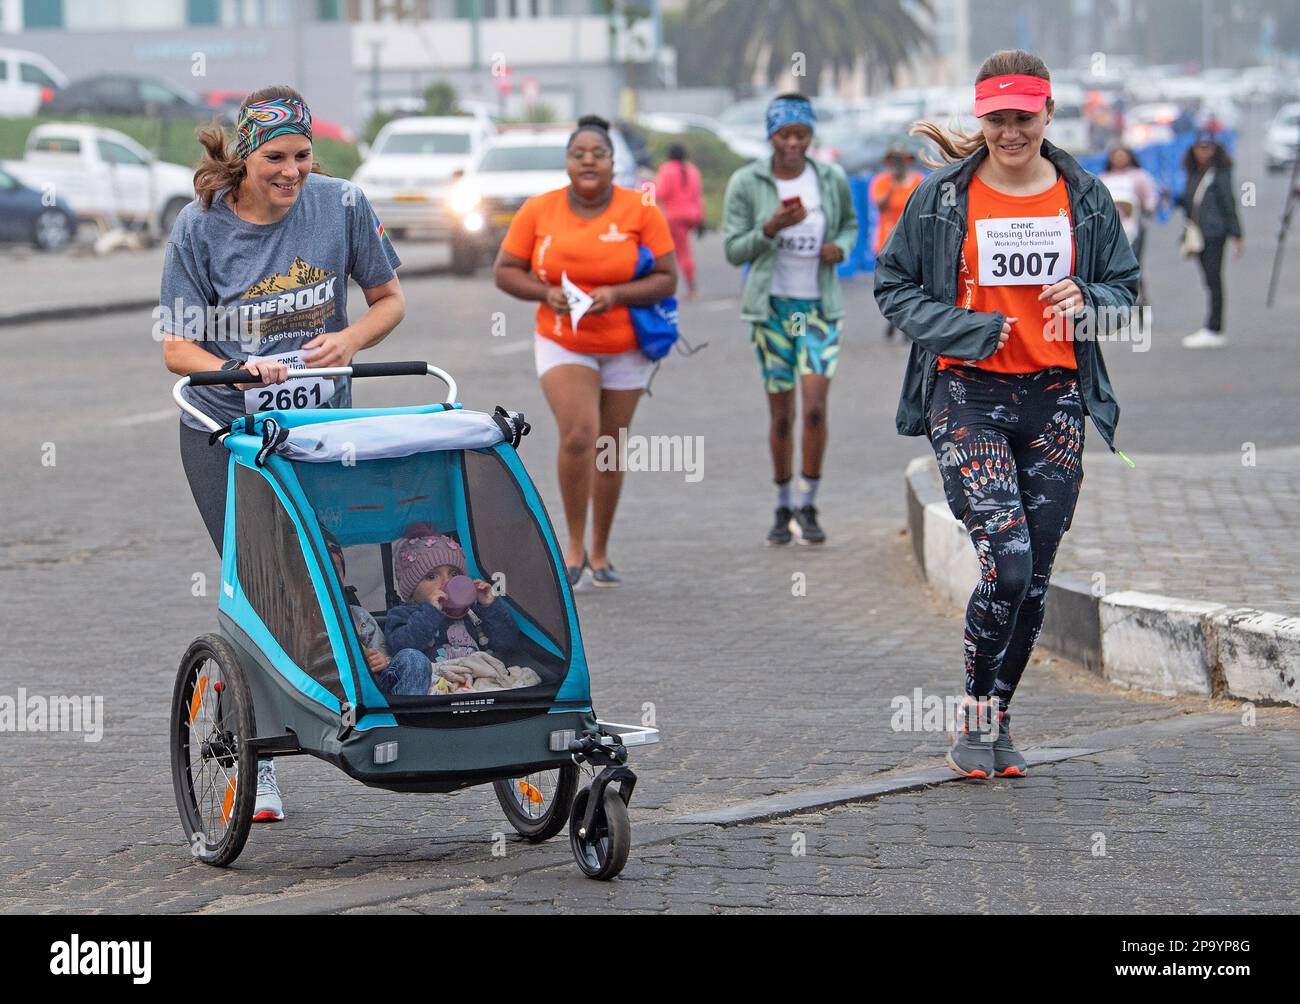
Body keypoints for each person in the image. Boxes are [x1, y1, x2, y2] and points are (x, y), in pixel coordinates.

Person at [874, 50, 1138, 779]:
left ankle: (997, 718)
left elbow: (1127, 290)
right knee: (1009, 563)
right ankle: (973, 712)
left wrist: (1092, 300)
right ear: (981, 118)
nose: (1010, 132)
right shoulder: (941, 199)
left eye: (1024, 118)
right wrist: (964, 329)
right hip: (966, 397)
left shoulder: (1084, 197)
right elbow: (892, 285)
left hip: (1054, 400)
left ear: (1049, 115)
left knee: (1036, 578)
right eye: (997, 119)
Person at [160, 84, 405, 822]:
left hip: (319, 432)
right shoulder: (198, 229)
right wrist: (239, 369)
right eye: (275, 158)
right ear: (244, 155)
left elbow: (389, 299)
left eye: (302, 156)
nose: (292, 172)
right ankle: (251, 757)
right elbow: (177, 347)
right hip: (227, 432)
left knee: (323, 575)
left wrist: (349, 341)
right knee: (262, 583)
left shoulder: (344, 205)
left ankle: (350, 701)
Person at [493, 114, 677, 589]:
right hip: (562, 338)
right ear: (568, 163)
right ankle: (573, 546)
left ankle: (601, 551)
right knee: (580, 435)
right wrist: (543, 292)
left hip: (625, 345)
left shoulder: (641, 210)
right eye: (579, 154)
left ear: (615, 163)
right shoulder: (540, 210)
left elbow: (666, 278)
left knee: (610, 448)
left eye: (599, 153)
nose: (589, 160)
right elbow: (506, 270)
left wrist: (615, 295)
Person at [722, 93, 859, 546]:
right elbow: (732, 249)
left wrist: (838, 247)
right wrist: (771, 227)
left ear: (811, 136)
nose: (793, 143)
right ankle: (782, 505)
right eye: (784, 134)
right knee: (782, 414)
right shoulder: (747, 182)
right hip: (771, 311)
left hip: (818, 309)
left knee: (815, 407)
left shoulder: (830, 178)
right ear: (771, 136)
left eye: (801, 134)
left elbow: (850, 226)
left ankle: (809, 501)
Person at [384, 525, 520, 663]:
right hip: (435, 680)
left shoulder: (472, 611)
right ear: (412, 592)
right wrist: (430, 613)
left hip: (477, 677)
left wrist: (490, 605)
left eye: (454, 574)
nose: (447, 582)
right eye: (432, 577)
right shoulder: (403, 614)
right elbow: (400, 649)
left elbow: (506, 643)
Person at [321, 529, 433, 697]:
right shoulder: (290, 622)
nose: (326, 577)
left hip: (372, 690)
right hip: (324, 694)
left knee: (413, 658)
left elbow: (385, 660)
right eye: (317, 572)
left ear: (343, 580)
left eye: (334, 570)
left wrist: (381, 661)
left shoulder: (359, 617)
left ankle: (409, 718)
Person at [1178, 131, 1244, 349]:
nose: (1203, 151)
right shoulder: (1194, 172)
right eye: (1199, 147)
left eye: (1207, 147)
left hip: (1215, 233)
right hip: (1199, 232)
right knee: (1208, 279)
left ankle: (1214, 327)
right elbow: (1190, 203)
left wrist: (1237, 234)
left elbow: (1229, 203)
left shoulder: (1220, 173)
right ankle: (1213, 327)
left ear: (1215, 150)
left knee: (1214, 280)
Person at [869, 145, 924, 338]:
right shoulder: (882, 182)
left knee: (914, 284)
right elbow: (880, 205)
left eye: (901, 160)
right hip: (886, 242)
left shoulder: (917, 181)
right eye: (895, 160)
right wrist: (894, 184)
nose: (899, 164)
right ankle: (894, 318)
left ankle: (905, 323)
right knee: (891, 285)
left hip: (912, 241)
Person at [654, 143, 705, 300]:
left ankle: (683, 289)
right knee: (684, 251)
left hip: (673, 217)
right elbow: (699, 196)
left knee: (672, 252)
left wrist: (645, 189)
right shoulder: (693, 170)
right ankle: (690, 287)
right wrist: (702, 218)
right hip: (692, 215)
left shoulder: (667, 170)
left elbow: (660, 193)